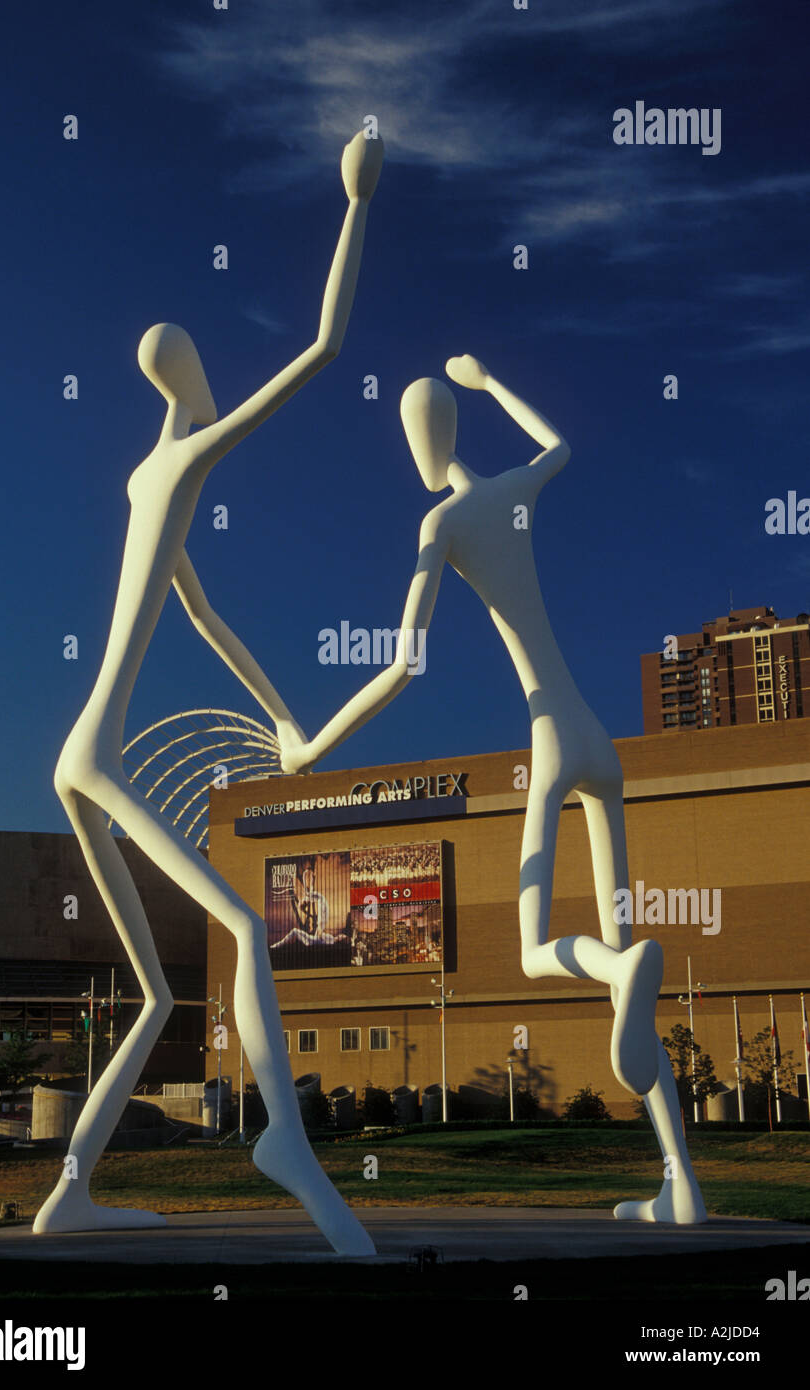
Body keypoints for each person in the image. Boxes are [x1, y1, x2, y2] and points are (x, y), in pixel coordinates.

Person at [33, 132, 384, 1256]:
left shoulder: (145, 477)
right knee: (242, 922)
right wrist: (356, 203)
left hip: (76, 754)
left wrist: (280, 712)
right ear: (186, 380)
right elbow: (325, 346)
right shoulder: (185, 462)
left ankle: (70, 1192)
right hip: (102, 758)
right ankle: (286, 1136)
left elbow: (203, 618)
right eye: (198, 363)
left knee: (153, 999)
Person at [282, 354, 706, 1223]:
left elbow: (405, 662)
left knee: (534, 949)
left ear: (418, 445)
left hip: (550, 737)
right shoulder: (514, 488)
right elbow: (560, 442)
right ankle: (682, 1184)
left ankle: (620, 968)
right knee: (627, 983)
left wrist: (311, 746)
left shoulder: (441, 525)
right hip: (604, 741)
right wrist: (487, 381)